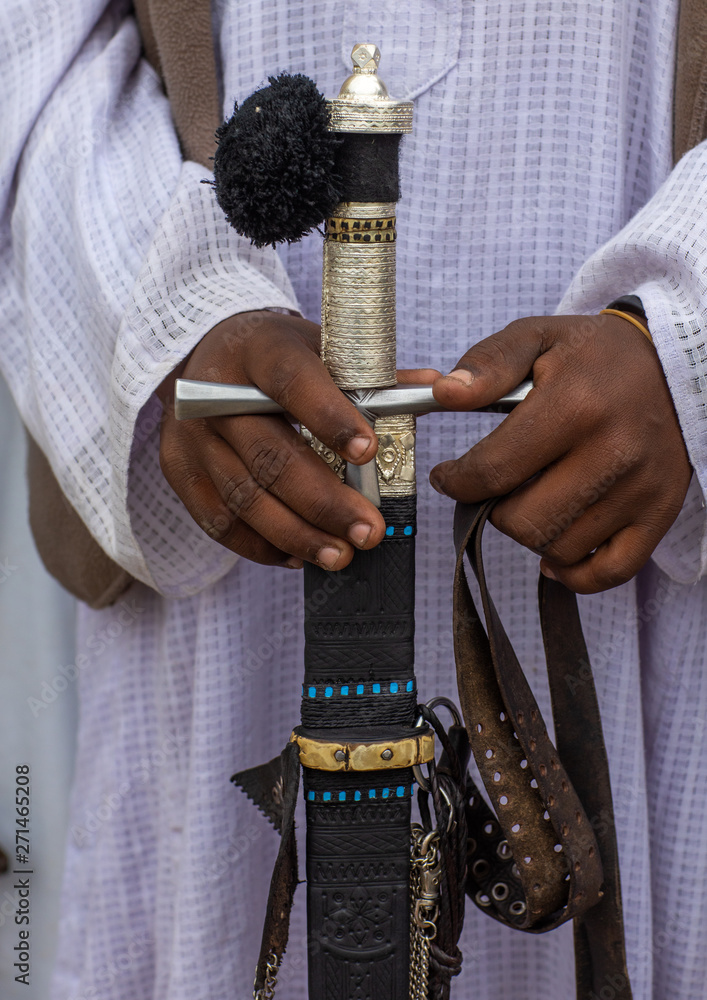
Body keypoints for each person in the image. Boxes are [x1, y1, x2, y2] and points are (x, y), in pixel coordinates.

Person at [1, 2, 706, 998]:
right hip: (220, 533)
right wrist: (168, 312)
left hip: (661, 563)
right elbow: (32, 64)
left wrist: (686, 345)